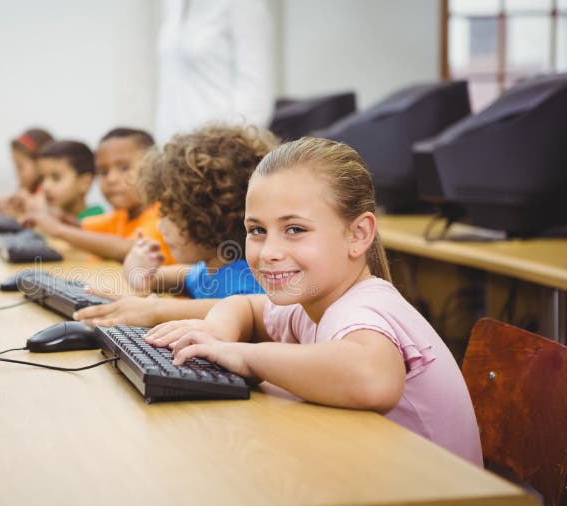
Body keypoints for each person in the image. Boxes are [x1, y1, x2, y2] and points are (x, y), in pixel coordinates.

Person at [145, 137, 482, 466]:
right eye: (257, 230)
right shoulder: (312, 300)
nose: (270, 252)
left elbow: (374, 379)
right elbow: (244, 306)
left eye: (295, 230)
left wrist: (245, 356)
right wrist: (217, 333)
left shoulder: (361, 309)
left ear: (358, 235)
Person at [75, 124, 277, 327]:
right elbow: (154, 278)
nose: (161, 228)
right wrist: (137, 267)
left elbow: (243, 309)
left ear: (206, 216)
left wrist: (156, 310)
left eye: (168, 215)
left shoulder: (250, 279)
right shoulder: (208, 270)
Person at [24, 128, 174, 263]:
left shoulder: (162, 215)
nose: (111, 179)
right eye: (103, 172)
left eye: (123, 168)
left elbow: (128, 249)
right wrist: (64, 221)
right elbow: (85, 229)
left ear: (154, 168)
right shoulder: (121, 215)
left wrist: (58, 229)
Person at [154, 0, 275, 144]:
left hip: (218, 151)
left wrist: (233, 149)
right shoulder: (172, 4)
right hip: (172, 149)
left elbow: (255, 91)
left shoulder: (244, 4)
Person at [0, 127, 54, 215]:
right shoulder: (29, 189)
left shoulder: (47, 190)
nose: (16, 173)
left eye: (20, 166)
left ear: (40, 165)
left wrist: (26, 203)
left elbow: (44, 207)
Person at [35, 140, 104, 224]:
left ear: (85, 183)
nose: (45, 186)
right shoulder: (48, 218)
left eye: (56, 178)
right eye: (42, 178)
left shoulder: (99, 221)